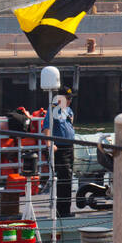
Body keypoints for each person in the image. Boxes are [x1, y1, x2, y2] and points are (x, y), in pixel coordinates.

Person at [50, 89, 75, 218]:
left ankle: (67, 209)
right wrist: (50, 144)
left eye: (70, 98)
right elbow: (47, 127)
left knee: (69, 177)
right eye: (68, 98)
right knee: (63, 178)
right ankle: (62, 210)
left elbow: (70, 124)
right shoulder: (54, 111)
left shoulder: (69, 111)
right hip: (60, 147)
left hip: (70, 147)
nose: (70, 101)